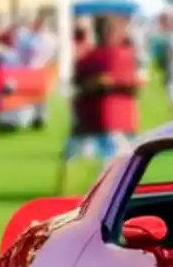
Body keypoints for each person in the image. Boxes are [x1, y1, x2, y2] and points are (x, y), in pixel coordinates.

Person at [58, 15, 141, 191]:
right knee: (75, 156)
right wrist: (95, 83)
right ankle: (70, 192)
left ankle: (108, 191)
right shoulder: (91, 56)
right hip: (94, 115)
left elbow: (134, 83)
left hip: (115, 116)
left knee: (117, 158)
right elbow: (79, 82)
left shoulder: (122, 55)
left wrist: (110, 81)